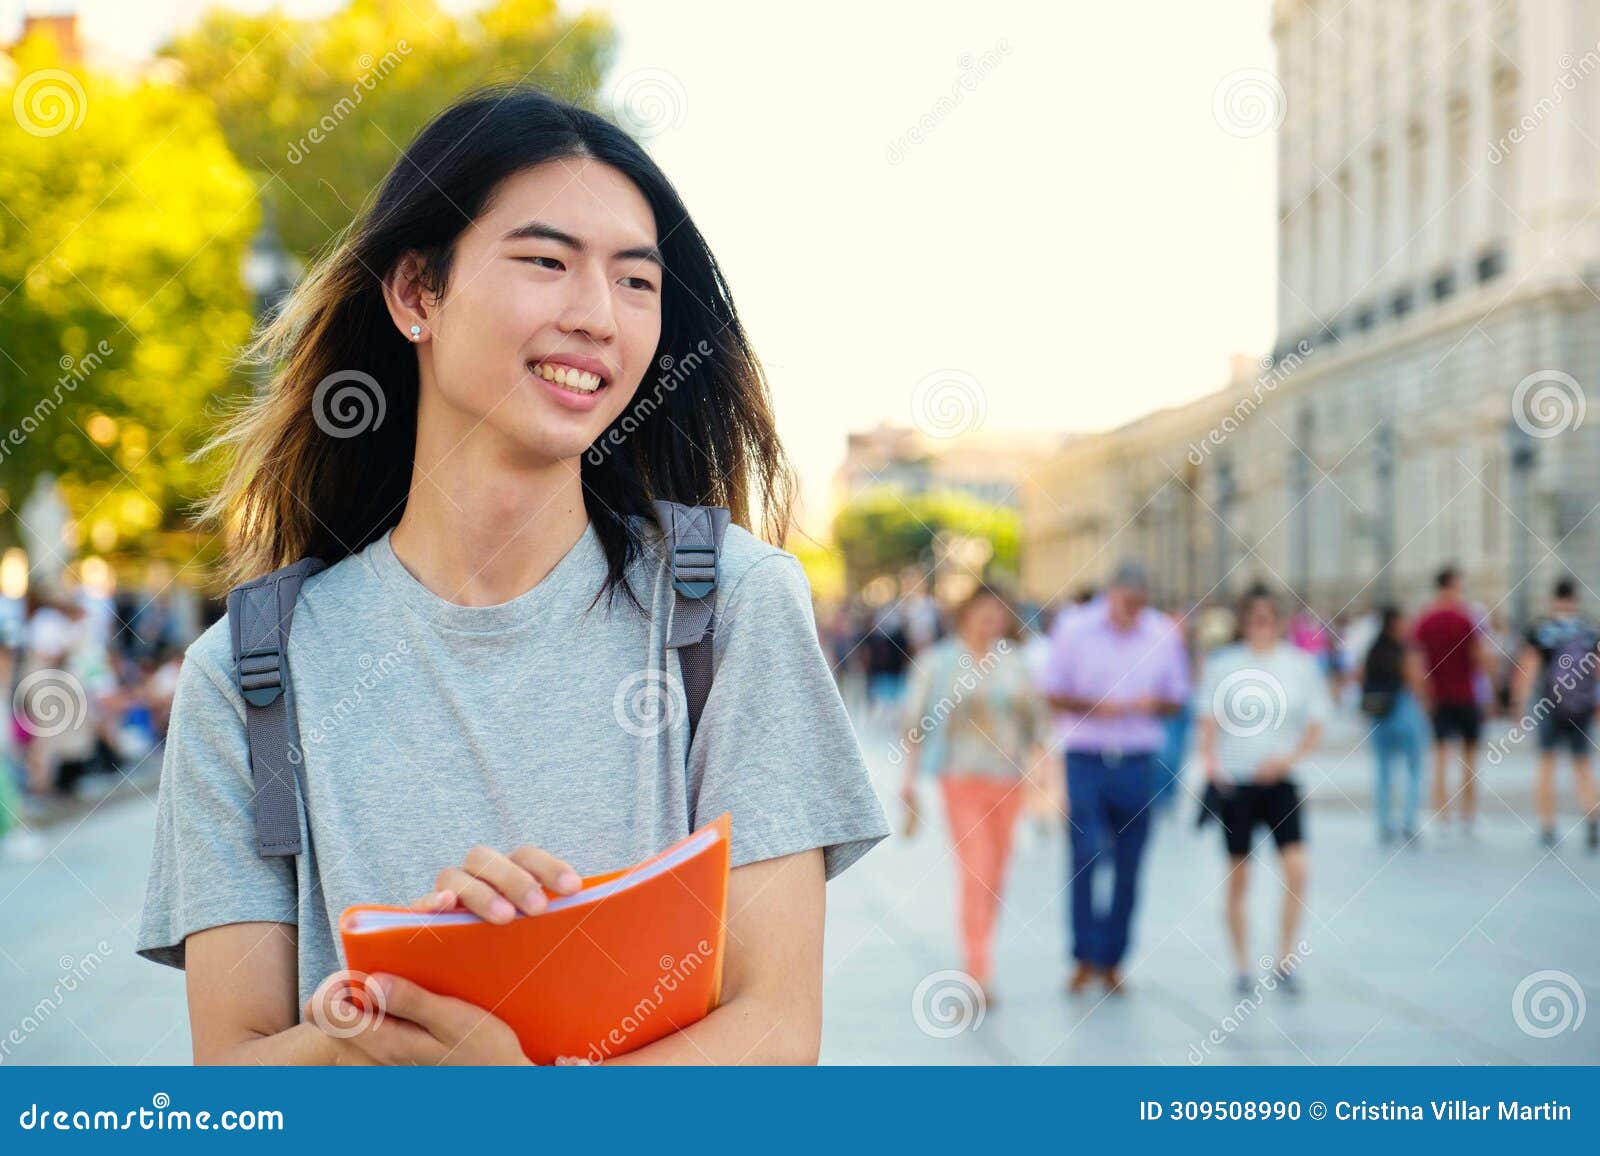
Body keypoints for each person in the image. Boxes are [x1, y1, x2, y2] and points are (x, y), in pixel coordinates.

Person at [135, 86, 890, 1066]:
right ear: (416, 293)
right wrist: (399, 1006)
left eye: (635, 281)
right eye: (545, 262)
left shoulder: (732, 607)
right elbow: (228, 1085)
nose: (597, 317)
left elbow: (776, 1033)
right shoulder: (247, 675)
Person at [1039, 561, 1190, 996]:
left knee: (1130, 860)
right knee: (1085, 852)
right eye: (1127, 603)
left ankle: (1113, 957)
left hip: (1137, 759)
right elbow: (1051, 689)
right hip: (1085, 755)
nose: (1133, 612)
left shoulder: (1161, 632)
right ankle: (1084, 953)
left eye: (1140, 605)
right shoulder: (1074, 628)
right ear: (1111, 594)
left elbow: (1178, 698)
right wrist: (1092, 705)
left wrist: (1153, 703)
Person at [897, 587, 1050, 1002]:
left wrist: (1044, 773)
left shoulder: (1015, 663)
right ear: (965, 614)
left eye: (998, 614)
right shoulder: (939, 662)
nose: (990, 621)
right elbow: (914, 721)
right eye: (983, 612)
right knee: (976, 871)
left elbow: (1037, 724)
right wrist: (908, 779)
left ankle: (982, 945)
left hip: (1008, 779)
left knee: (997, 874)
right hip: (960, 778)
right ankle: (978, 966)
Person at [1195, 584, 1327, 996]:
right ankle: (1240, 963)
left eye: (1269, 619)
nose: (1262, 627)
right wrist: (1213, 766)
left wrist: (1287, 760)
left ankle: (1285, 958)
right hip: (1238, 782)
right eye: (1254, 619)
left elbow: (1316, 722)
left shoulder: (1299, 665)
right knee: (1239, 876)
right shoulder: (1224, 664)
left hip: (1280, 781)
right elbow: (1207, 720)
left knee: (1297, 869)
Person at [1512, 577, 1600, 851]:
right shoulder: (1588, 630)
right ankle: (1592, 820)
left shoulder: (1542, 630)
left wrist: (1519, 705)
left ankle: (1548, 827)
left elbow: (1527, 670)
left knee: (1546, 766)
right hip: (1581, 707)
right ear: (1576, 599)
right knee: (1583, 766)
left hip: (1549, 706)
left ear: (1553, 598)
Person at [1412, 566, 1483, 833]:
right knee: (1469, 757)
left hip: (1438, 697)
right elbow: (1478, 658)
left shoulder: (1424, 620)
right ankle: (1468, 813)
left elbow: (1417, 662)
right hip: (1465, 694)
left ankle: (1442, 813)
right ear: (1452, 586)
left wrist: (1423, 695)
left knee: (1440, 756)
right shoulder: (1466, 619)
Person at [1360, 607, 1428, 845]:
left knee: (1383, 770)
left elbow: (1360, 677)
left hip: (1377, 713)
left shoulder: (1372, 650)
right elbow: (1415, 680)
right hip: (1402, 708)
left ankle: (1384, 822)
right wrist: (1426, 706)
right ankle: (1409, 820)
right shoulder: (1406, 650)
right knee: (1415, 767)